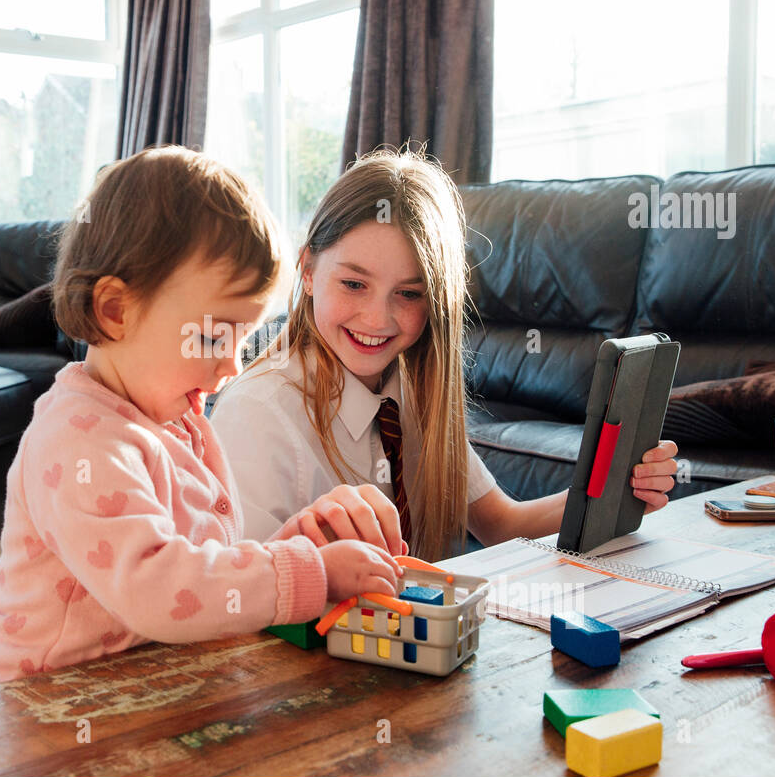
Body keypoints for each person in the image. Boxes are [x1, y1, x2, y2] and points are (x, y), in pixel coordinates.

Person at [0, 146, 409, 692]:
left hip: (132, 692)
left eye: (243, 337)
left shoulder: (176, 419)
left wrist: (293, 548)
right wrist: (313, 574)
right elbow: (158, 588)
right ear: (115, 311)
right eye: (215, 336)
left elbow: (203, 563)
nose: (231, 364)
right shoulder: (79, 440)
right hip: (31, 712)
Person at [211, 148, 679, 561]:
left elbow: (501, 525)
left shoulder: (414, 393)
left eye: (409, 295)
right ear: (308, 270)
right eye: (354, 284)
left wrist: (608, 486)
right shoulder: (256, 412)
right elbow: (242, 594)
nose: (377, 320)